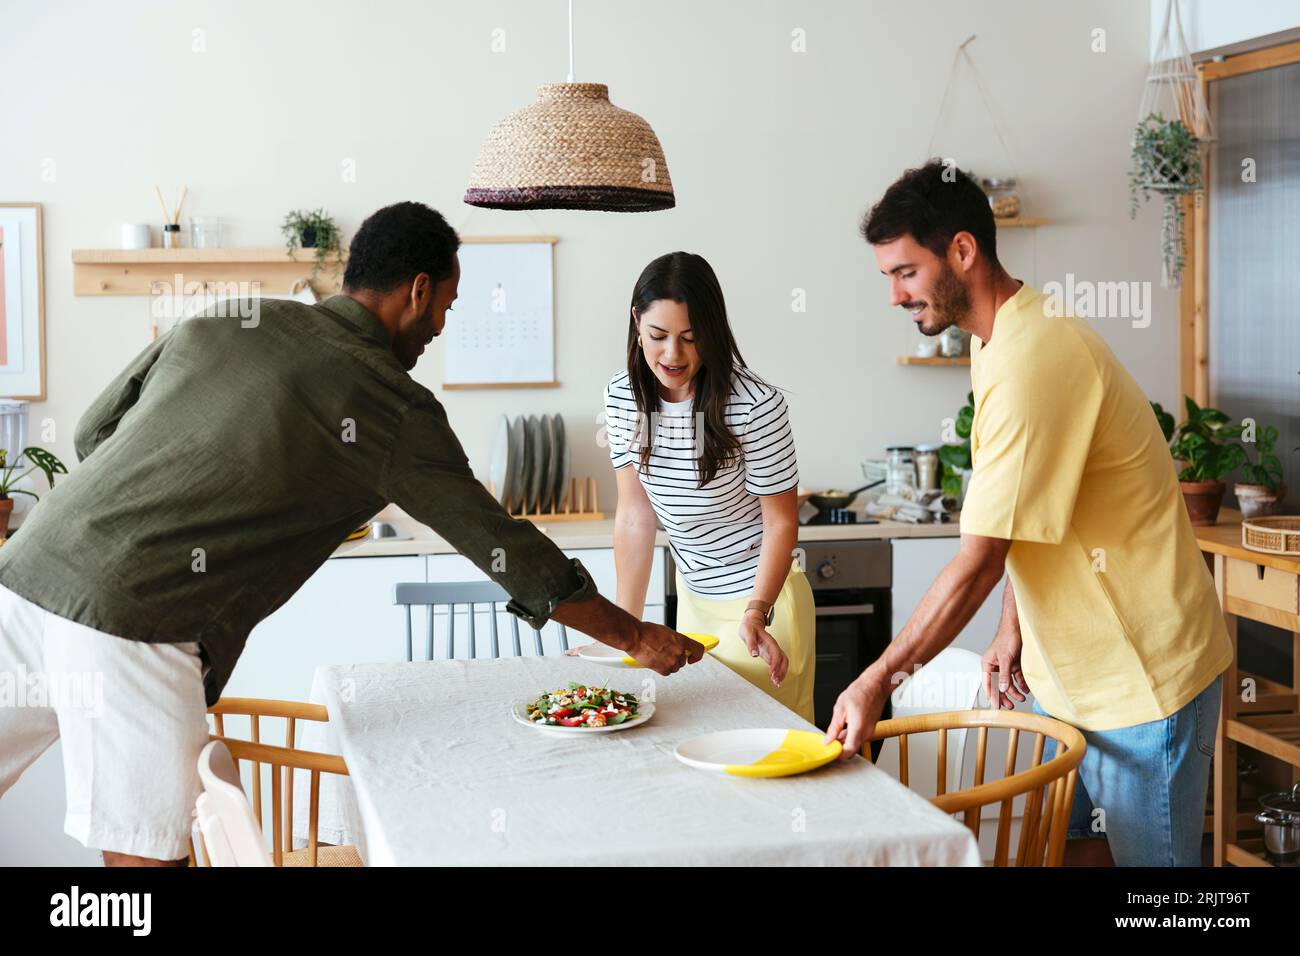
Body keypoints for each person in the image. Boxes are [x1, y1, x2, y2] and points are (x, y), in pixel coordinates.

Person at [0, 202, 702, 867]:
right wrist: (637, 637)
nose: (440, 329)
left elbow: (95, 431)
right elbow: (502, 547)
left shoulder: (229, 320)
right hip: (136, 617)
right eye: (447, 308)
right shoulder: (388, 402)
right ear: (418, 292)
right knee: (146, 851)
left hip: (30, 570)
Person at [825, 161, 1231, 866]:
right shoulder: (997, 344)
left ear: (961, 251)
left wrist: (876, 679)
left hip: (1143, 681)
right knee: (1065, 856)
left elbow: (980, 559)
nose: (893, 294)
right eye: (887, 277)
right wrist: (1013, 630)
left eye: (905, 273)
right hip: (1063, 680)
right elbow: (1033, 514)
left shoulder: (1034, 357)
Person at [602, 252, 815, 722]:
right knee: (699, 738)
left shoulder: (756, 405)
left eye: (691, 338)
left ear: (713, 334)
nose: (673, 355)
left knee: (765, 750)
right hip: (695, 603)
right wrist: (623, 632)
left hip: (764, 602)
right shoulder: (622, 397)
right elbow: (636, 516)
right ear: (636, 323)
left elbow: (780, 522)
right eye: (658, 337)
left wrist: (758, 612)